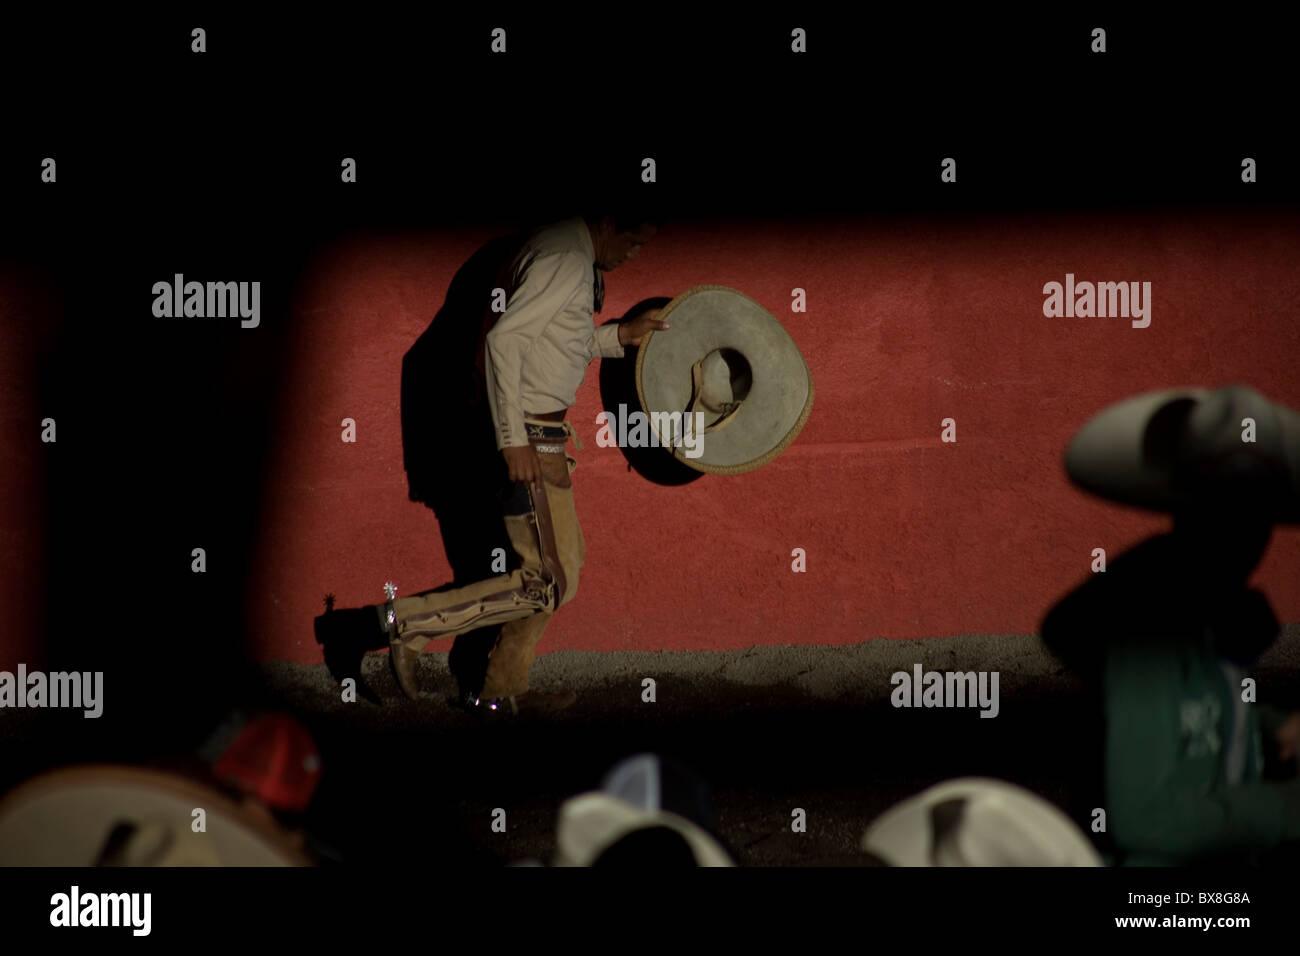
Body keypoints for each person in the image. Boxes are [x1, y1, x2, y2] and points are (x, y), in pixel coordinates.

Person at [316, 210, 666, 716]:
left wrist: (619, 337)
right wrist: (512, 439)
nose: (633, 256)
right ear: (609, 220)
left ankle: (500, 686)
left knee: (560, 567)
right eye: (635, 244)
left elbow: (556, 340)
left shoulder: (560, 247)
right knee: (549, 578)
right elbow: (506, 340)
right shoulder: (566, 258)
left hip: (534, 431)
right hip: (527, 433)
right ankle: (400, 625)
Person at [1041, 385, 1300, 865]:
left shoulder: (1205, 615)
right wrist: (1284, 809)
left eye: (1253, 510)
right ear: (1188, 511)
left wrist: (1271, 726)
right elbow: (1145, 819)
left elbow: (1203, 715)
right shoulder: (1150, 633)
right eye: (1224, 509)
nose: (1243, 533)